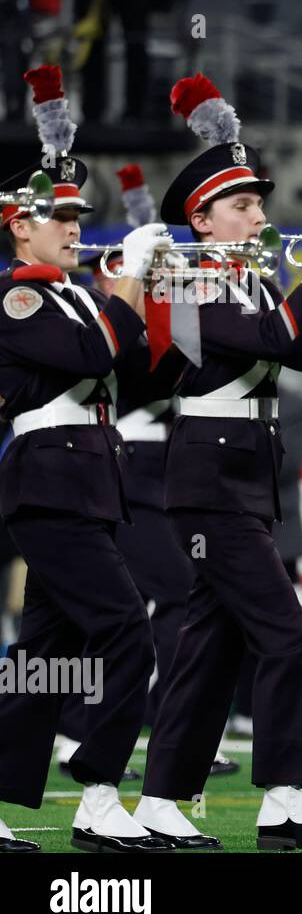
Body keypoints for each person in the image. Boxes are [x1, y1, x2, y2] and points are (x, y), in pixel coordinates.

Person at [132, 73, 302, 851]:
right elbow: (272, 342)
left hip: (242, 477)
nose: (261, 216)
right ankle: (285, 799)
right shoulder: (189, 273)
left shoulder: (252, 279)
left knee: (210, 647)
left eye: (261, 202)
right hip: (209, 475)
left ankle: (160, 803)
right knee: (287, 636)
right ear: (200, 217)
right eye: (244, 205)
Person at [0, 65, 176, 854]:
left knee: (42, 664)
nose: (76, 226)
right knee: (126, 633)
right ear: (18, 226)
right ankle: (100, 794)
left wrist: (162, 292)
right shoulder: (21, 298)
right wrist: (129, 279)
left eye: (78, 215)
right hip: (51, 486)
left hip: (84, 488)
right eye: (59, 217)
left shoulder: (77, 294)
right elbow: (92, 354)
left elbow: (146, 372)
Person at [57, 162, 239, 781]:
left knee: (145, 603)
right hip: (125, 466)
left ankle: (144, 723)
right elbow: (135, 367)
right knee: (160, 598)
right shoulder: (93, 317)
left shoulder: (128, 314)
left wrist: (172, 292)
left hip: (149, 466)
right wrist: (147, 289)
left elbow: (175, 366)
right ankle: (87, 727)